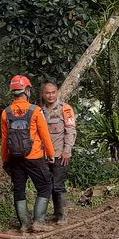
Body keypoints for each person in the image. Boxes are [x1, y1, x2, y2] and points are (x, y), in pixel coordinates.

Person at [0, 75, 56, 232]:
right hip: (34, 157)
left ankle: (24, 224)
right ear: (27, 91)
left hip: (14, 158)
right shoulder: (35, 110)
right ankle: (38, 221)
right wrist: (51, 154)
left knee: (19, 189)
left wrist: (5, 159)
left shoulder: (6, 112)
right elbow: (45, 135)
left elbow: (4, 139)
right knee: (45, 185)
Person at [40, 81, 77, 225]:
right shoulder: (40, 111)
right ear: (43, 94)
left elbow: (71, 130)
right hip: (44, 155)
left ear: (57, 93)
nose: (50, 95)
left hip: (60, 155)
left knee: (58, 185)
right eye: (47, 93)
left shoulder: (65, 109)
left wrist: (67, 151)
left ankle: (62, 216)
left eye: (53, 92)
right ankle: (55, 213)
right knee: (48, 185)